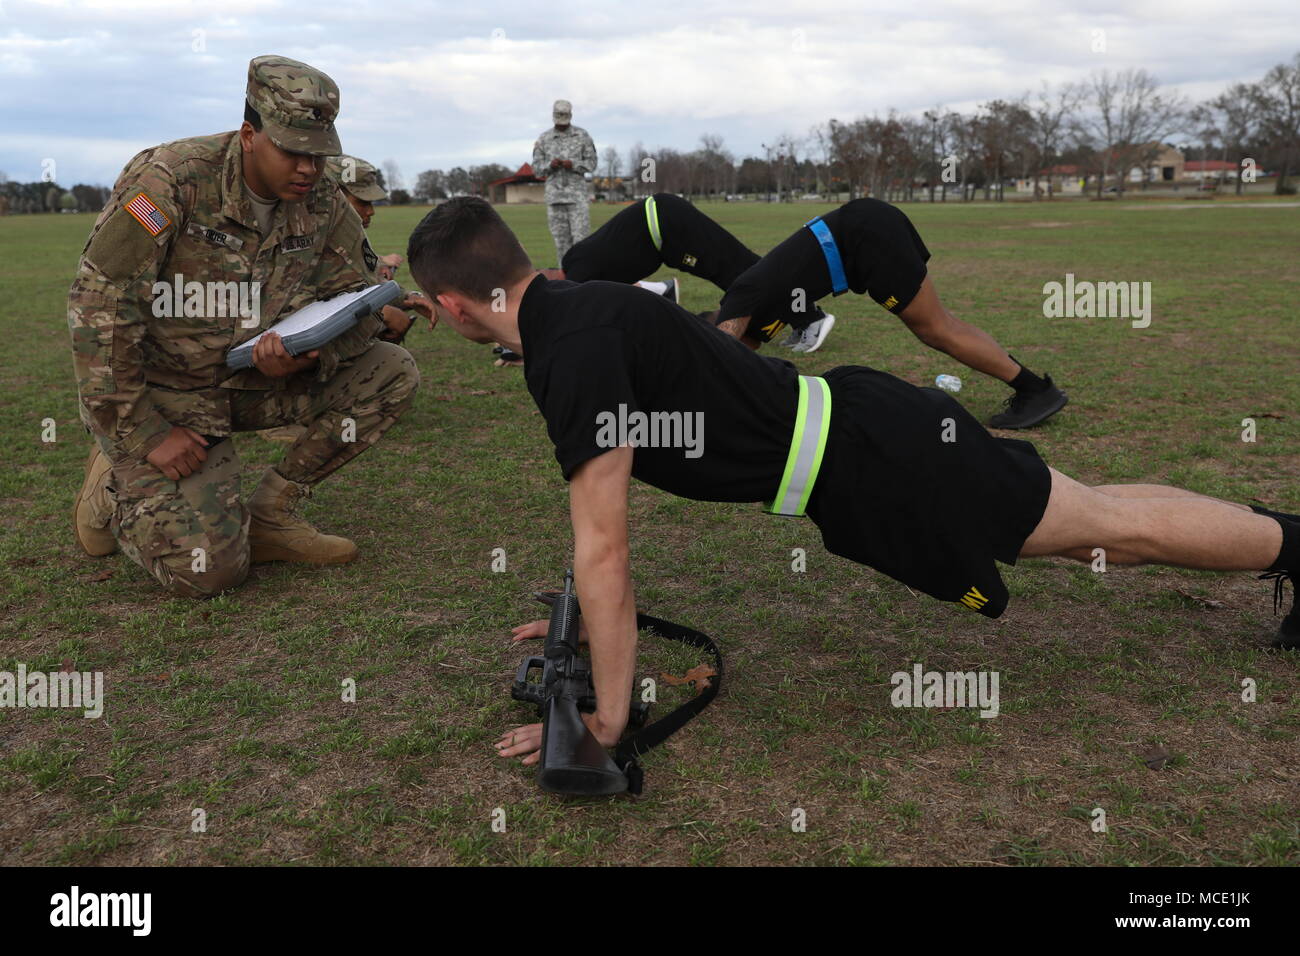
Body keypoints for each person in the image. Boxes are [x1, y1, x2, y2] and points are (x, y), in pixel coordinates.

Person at [404, 198, 1298, 766]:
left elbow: (604, 544)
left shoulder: (569, 350)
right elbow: (607, 514)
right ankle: (1284, 536)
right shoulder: (577, 309)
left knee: (1109, 531)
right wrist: (580, 620)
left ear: (449, 307)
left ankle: (1292, 545)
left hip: (881, 462)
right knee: (1098, 513)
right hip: (871, 433)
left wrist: (603, 722)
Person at [68, 55, 420, 597]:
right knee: (208, 572)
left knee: (391, 370)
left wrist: (311, 355)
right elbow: (100, 308)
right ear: (250, 134)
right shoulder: (170, 182)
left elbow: (357, 300)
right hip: (167, 397)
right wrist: (145, 433)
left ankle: (274, 512)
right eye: (294, 151)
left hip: (253, 382)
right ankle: (112, 480)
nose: (309, 169)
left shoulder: (324, 201)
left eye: (320, 153)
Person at [714, 198, 1068, 429]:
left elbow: (716, 361)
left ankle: (1035, 390)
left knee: (937, 329)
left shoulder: (739, 302)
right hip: (865, 226)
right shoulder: (753, 321)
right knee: (942, 325)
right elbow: (745, 365)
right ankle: (1033, 388)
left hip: (864, 239)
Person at [550, 191, 835, 353]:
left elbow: (571, 321)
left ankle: (812, 317)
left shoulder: (577, 269)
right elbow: (623, 294)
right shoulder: (582, 268)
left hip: (667, 224)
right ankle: (800, 318)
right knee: (738, 272)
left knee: (740, 272)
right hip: (667, 235)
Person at [531, 99, 597, 264]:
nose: (561, 123)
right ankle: (565, 283)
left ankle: (583, 280)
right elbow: (536, 169)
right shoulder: (544, 139)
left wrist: (574, 165)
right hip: (555, 199)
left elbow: (592, 163)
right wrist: (550, 165)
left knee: (582, 243)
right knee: (561, 245)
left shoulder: (582, 136)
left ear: (570, 116)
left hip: (577, 198)